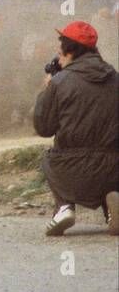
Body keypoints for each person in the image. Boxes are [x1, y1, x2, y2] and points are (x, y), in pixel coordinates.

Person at [34, 20, 119, 236]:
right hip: (113, 169)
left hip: (70, 170)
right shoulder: (115, 78)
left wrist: (47, 90)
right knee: (105, 155)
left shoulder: (60, 82)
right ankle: (111, 206)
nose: (57, 49)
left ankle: (64, 207)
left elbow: (43, 128)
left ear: (69, 50)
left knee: (50, 157)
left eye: (61, 43)